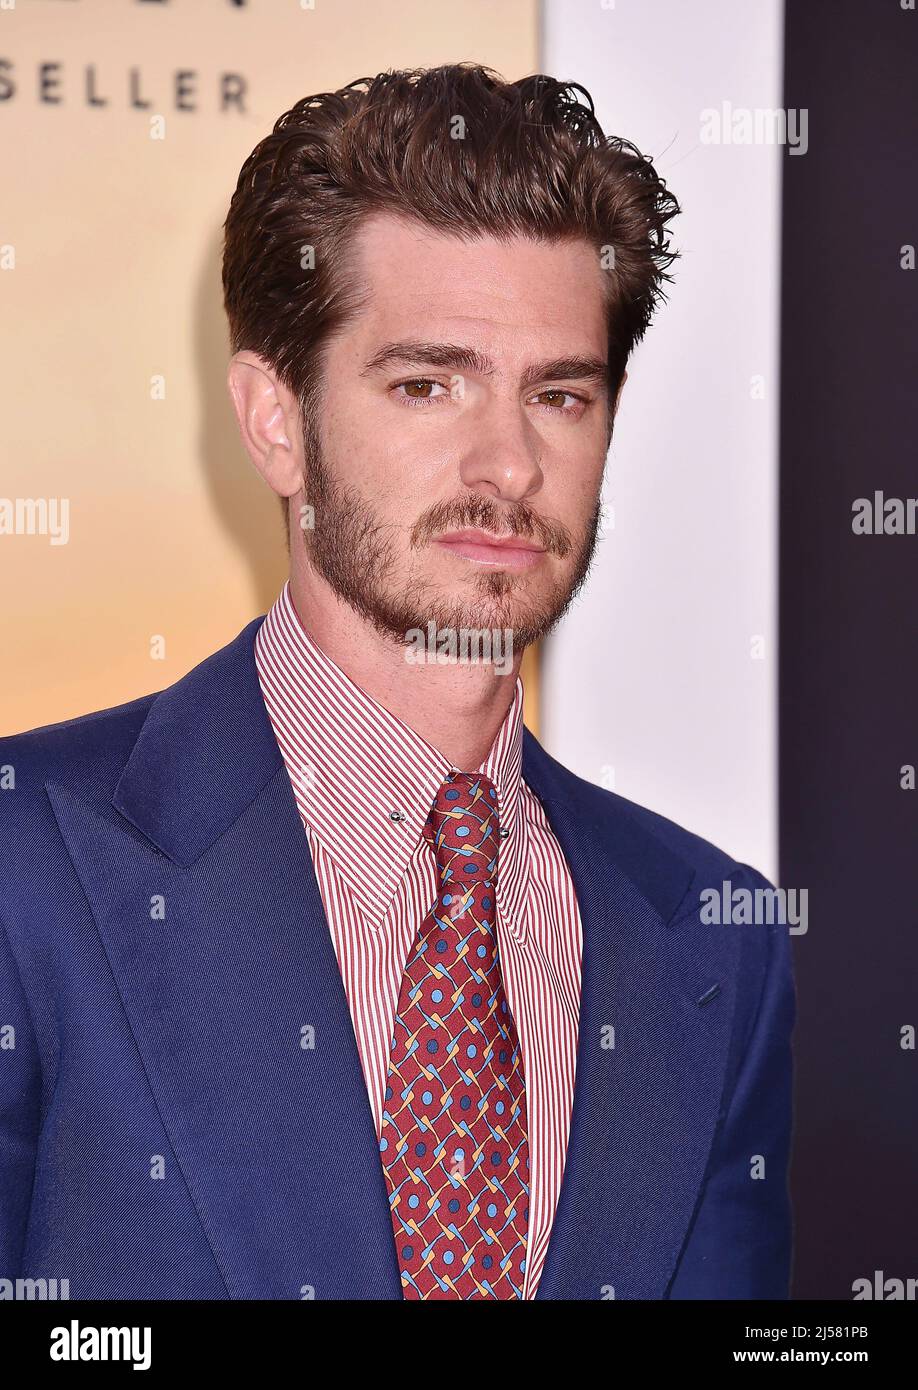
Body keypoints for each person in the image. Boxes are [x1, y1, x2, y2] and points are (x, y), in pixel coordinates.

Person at [0, 64, 794, 1301]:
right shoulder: (28, 858)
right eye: (427, 383)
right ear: (276, 419)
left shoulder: (713, 937)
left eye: (560, 395)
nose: (509, 464)